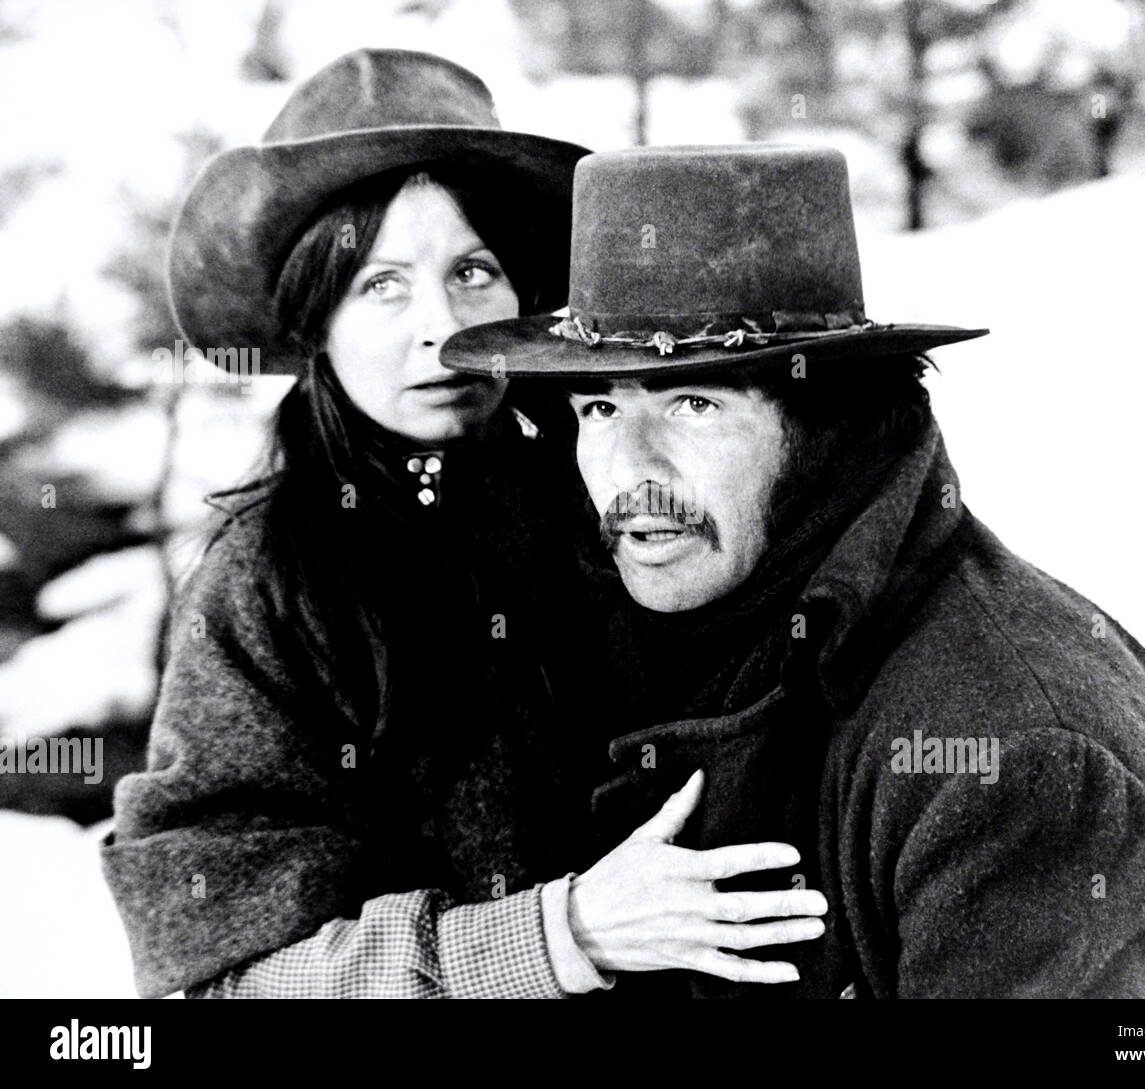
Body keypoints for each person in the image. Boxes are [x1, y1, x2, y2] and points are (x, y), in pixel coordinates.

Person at [442, 144, 1145, 998]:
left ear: (824, 433)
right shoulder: (663, 630)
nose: (628, 469)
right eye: (602, 406)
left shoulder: (1010, 759)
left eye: (696, 405)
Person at [101, 52, 828, 1000]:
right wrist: (560, 935)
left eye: (474, 272)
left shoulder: (616, 491)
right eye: (381, 285)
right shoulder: (264, 589)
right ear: (314, 322)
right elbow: (221, 980)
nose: (440, 328)